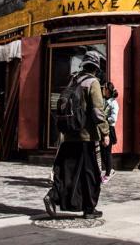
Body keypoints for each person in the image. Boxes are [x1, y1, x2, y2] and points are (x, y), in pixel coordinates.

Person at [45, 50, 110, 219]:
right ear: (96, 68)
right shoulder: (93, 83)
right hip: (86, 137)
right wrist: (105, 132)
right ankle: (89, 208)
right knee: (91, 174)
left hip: (69, 135)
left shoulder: (73, 80)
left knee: (67, 171)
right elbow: (97, 111)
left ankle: (53, 195)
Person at [100, 82, 119, 183]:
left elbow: (113, 118)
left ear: (108, 90)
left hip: (109, 129)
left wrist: (104, 118)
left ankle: (108, 174)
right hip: (103, 128)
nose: (103, 89)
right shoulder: (104, 101)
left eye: (104, 88)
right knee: (103, 152)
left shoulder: (113, 103)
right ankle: (110, 170)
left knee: (107, 152)